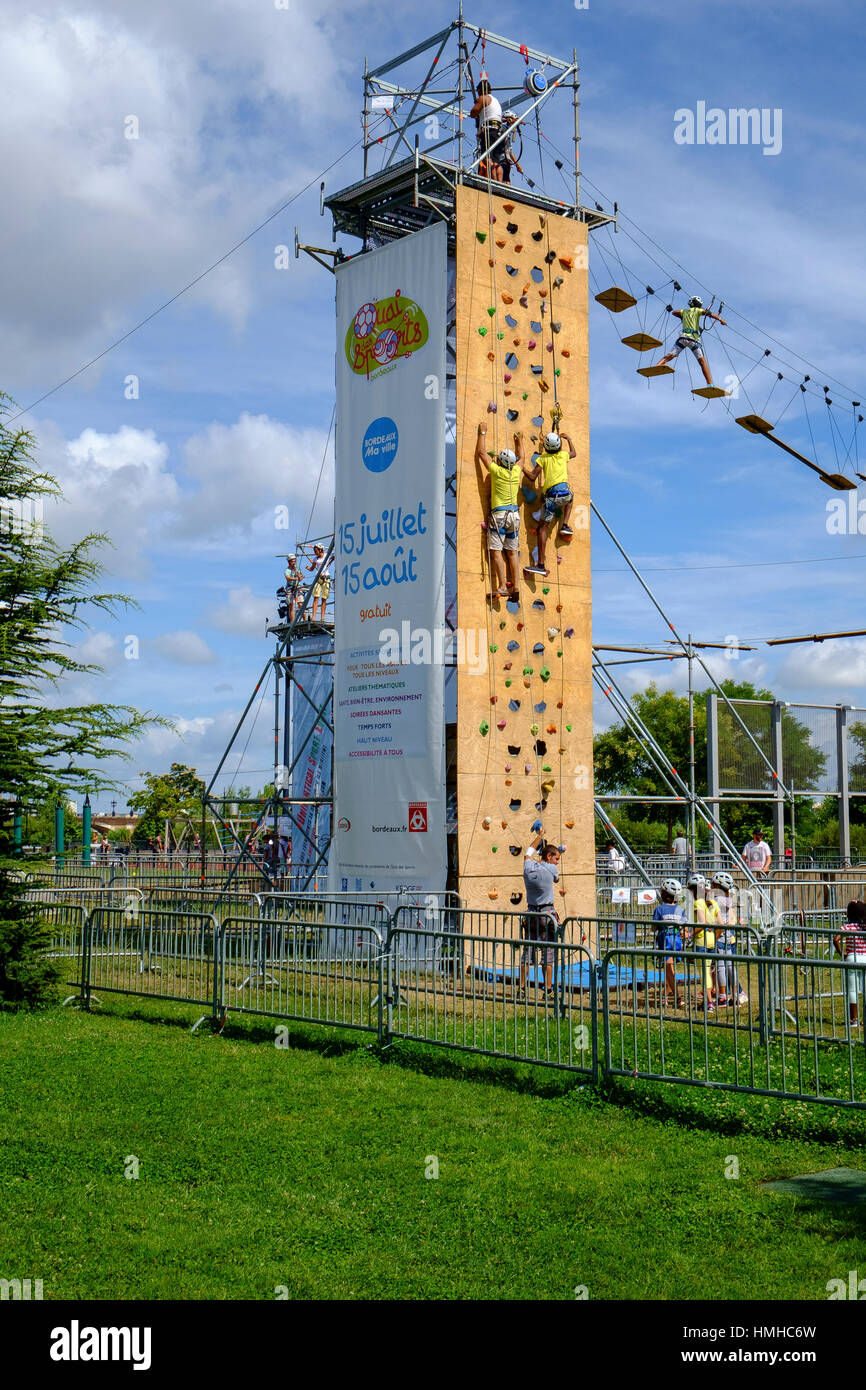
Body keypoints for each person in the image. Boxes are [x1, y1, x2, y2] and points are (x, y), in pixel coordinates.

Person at [475, 424, 535, 597]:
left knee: (496, 552)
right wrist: (520, 441)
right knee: (511, 552)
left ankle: (502, 586)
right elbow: (522, 458)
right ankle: (515, 586)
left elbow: (481, 453)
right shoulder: (516, 472)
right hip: (513, 516)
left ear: (500, 462)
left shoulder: (496, 471)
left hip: (499, 516)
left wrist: (483, 432)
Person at [520, 429, 577, 576]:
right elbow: (573, 453)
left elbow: (532, 477)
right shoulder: (564, 455)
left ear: (545, 447)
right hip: (564, 494)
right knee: (571, 497)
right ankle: (565, 524)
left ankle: (540, 565)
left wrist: (522, 468)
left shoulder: (543, 459)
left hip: (552, 498)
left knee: (542, 528)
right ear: (559, 446)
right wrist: (568, 439)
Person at [518, 821, 561, 1001]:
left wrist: (540, 836)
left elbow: (528, 851)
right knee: (548, 954)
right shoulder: (551, 868)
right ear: (549, 856)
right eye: (556, 858)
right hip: (546, 914)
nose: (557, 861)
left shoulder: (528, 867)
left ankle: (521, 989)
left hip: (531, 913)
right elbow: (557, 880)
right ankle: (548, 990)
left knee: (527, 954)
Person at [653, 296, 727, 386]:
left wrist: (682, 316)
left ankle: (657, 366)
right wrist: (721, 320)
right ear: (699, 305)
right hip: (693, 340)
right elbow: (709, 314)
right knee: (702, 362)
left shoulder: (684, 311)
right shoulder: (698, 310)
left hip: (683, 338)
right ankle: (710, 384)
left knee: (670, 355)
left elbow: (674, 312)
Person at [709, 871, 748, 1007]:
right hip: (729, 936)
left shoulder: (715, 901)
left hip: (720, 936)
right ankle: (737, 994)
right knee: (730, 966)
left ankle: (722, 996)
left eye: (712, 884)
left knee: (721, 966)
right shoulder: (728, 900)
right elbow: (731, 919)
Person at [652, 877, 686, 1008]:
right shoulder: (680, 909)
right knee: (669, 969)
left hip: (665, 940)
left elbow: (653, 927)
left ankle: (677, 997)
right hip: (677, 941)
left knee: (669, 969)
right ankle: (664, 996)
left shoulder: (659, 909)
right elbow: (684, 928)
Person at [833, 901, 866, 1028]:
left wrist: (842, 954)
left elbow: (835, 939)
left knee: (853, 990)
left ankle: (854, 1019)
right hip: (865, 958)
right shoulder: (864, 927)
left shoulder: (848, 927)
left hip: (852, 958)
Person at [686, 872, 716, 1011]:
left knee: (704, 973)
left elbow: (701, 922)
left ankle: (709, 1003)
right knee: (708, 971)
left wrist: (690, 934)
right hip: (711, 939)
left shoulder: (698, 903)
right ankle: (710, 999)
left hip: (702, 941)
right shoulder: (710, 903)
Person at [470, 76, 503, 181]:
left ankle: (492, 182)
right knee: (497, 162)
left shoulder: (483, 98)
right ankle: (499, 183)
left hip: (489, 130)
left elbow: (473, 113)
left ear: (480, 90)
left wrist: (478, 103)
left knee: (487, 159)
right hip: (499, 131)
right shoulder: (495, 100)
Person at [307, 545, 332, 623]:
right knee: (316, 597)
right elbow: (312, 568)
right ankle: (313, 616)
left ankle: (322, 617)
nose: (315, 552)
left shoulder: (327, 556)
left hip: (326, 577)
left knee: (324, 598)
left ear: (320, 550)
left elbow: (332, 559)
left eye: (316, 551)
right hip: (318, 578)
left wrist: (332, 559)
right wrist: (308, 568)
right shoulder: (316, 559)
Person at [499, 110, 524, 185]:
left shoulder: (507, 131)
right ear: (508, 119)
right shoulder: (503, 129)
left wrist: (517, 165)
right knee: (504, 181)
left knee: (506, 180)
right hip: (501, 160)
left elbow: (509, 151)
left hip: (505, 160)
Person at [283, 555, 303, 623]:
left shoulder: (297, 569)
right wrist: (296, 578)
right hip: (290, 588)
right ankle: (292, 621)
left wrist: (300, 577)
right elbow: (288, 578)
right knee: (291, 605)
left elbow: (301, 575)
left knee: (300, 604)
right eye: (292, 561)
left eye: (294, 561)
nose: (294, 562)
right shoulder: (287, 570)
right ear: (289, 562)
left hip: (298, 587)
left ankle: (305, 619)